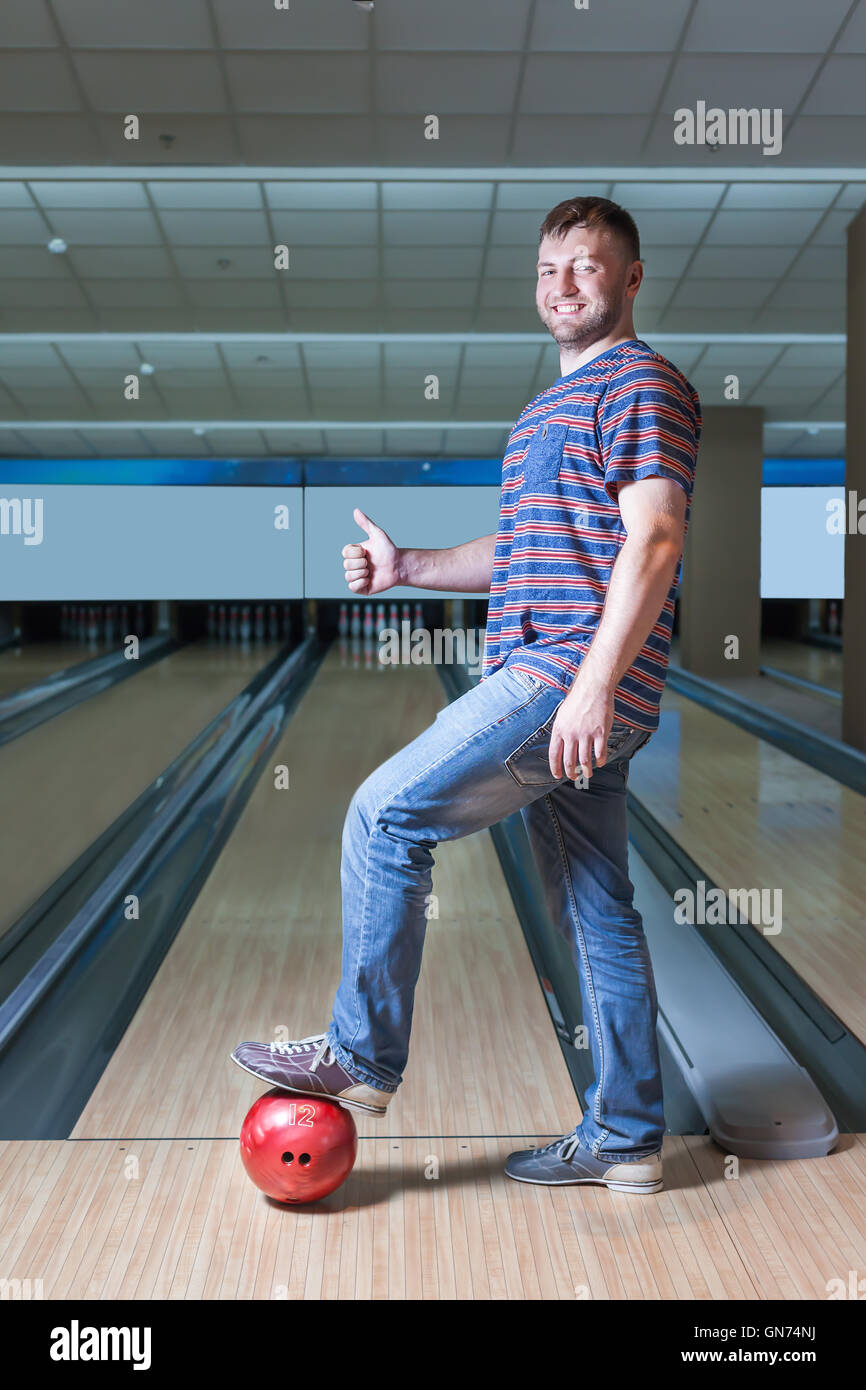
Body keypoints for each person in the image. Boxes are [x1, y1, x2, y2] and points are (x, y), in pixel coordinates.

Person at [232, 197, 701, 1195]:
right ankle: (623, 1136)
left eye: (584, 265)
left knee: (383, 813)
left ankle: (359, 1057)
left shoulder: (640, 382)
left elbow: (654, 538)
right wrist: (409, 564)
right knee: (593, 908)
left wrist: (589, 687)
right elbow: (527, 552)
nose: (561, 282)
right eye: (546, 268)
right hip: (555, 676)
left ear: (629, 279)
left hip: (558, 677)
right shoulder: (541, 414)